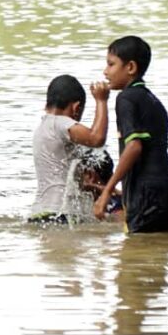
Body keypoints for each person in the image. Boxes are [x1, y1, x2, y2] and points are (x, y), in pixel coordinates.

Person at [94, 36, 168, 232]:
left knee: (134, 257)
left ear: (131, 67)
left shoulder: (126, 98)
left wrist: (107, 192)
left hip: (148, 192)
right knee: (157, 253)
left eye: (111, 64)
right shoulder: (153, 100)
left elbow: (134, 146)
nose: (105, 71)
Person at [29, 74, 109, 224]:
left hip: (40, 213)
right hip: (60, 214)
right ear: (76, 108)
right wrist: (101, 101)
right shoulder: (60, 123)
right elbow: (96, 138)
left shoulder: (42, 127)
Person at [77, 148, 123, 222]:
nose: (78, 178)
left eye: (80, 173)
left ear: (90, 175)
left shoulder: (111, 204)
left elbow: (121, 222)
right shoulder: (120, 198)